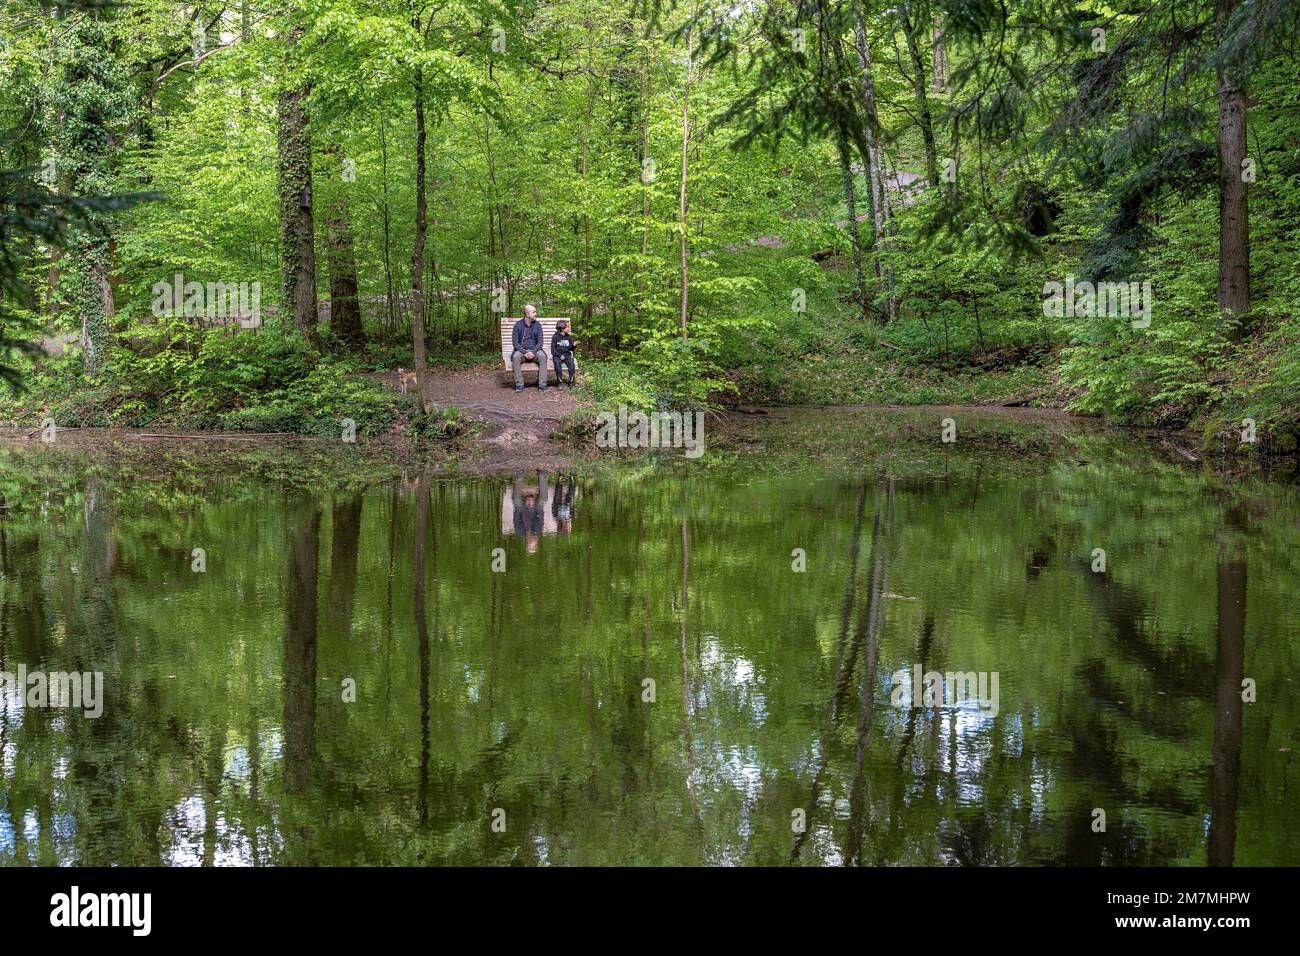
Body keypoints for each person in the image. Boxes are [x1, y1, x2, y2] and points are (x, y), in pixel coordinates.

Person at [511, 304, 548, 392]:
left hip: (535, 350)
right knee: (515, 357)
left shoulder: (538, 325)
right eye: (534, 312)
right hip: (521, 351)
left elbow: (540, 342)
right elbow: (515, 343)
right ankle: (519, 384)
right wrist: (524, 352)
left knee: (543, 356)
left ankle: (542, 384)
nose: (536, 313)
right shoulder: (518, 325)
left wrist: (533, 352)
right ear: (527, 314)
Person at [551, 320, 576, 386]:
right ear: (562, 328)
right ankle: (560, 382)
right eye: (567, 327)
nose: (569, 328)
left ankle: (571, 382)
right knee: (557, 365)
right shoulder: (555, 336)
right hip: (557, 355)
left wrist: (574, 346)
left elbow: (570, 349)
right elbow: (553, 350)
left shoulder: (569, 337)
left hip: (567, 355)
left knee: (571, 365)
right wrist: (559, 356)